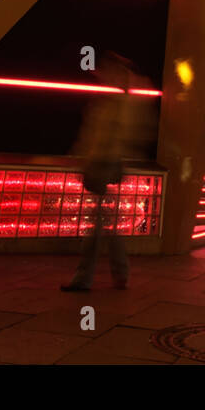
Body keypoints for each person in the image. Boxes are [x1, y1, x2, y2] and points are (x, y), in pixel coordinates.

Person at [62, 54, 154, 291]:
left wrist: (87, 159)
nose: (101, 74)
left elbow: (101, 137)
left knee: (97, 226)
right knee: (107, 226)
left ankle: (84, 279)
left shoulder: (113, 103)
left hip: (104, 165)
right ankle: (120, 274)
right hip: (108, 166)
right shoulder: (120, 102)